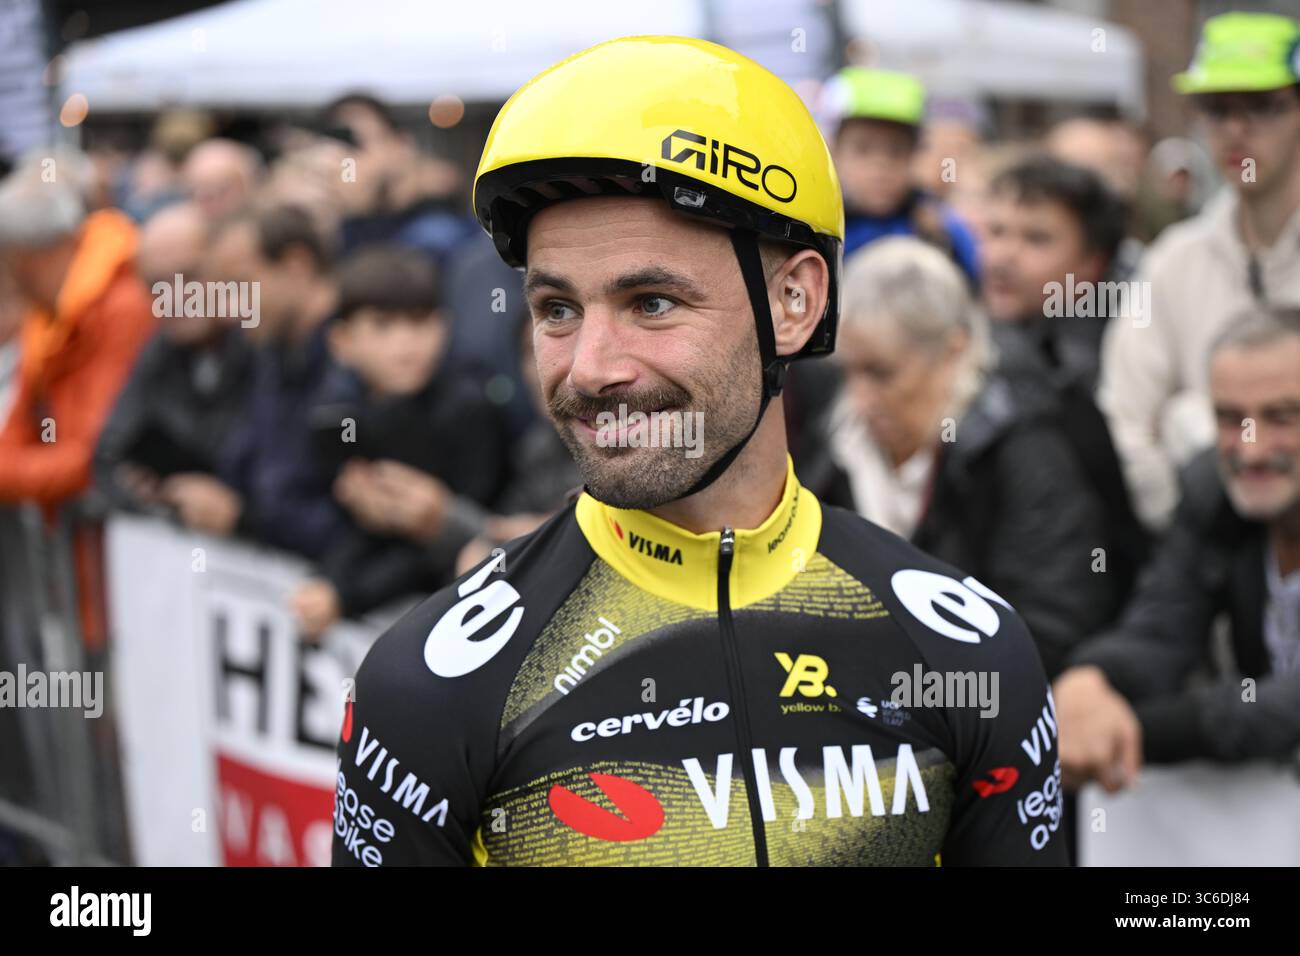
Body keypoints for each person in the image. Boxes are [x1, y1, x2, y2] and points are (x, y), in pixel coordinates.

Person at [334, 36, 1065, 867]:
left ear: (794, 302)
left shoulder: (966, 652)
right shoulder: (430, 687)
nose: (592, 368)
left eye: (651, 303)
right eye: (557, 310)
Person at [798, 236, 1117, 678]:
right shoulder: (834, 444)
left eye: (881, 373)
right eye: (848, 371)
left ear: (953, 351)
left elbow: (1047, 627)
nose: (859, 397)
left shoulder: (1021, 450)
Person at [1055, 307, 1300, 788]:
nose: (1250, 449)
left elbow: (1280, 712)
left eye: (1283, 418)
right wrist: (1089, 680)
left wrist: (1123, 731)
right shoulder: (1213, 491)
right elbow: (1161, 626)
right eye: (1230, 419)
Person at [1098, 11, 1300, 532]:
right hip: (1206, 565)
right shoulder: (1171, 261)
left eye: (1262, 106)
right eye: (1215, 108)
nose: (1236, 129)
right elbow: (1127, 424)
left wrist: (1190, 424)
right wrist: (1204, 526)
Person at [288, 244, 510, 636]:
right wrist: (330, 581)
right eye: (383, 325)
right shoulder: (348, 414)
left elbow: (451, 540)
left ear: (444, 326)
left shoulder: (467, 409)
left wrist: (344, 594)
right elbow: (365, 529)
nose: (406, 341)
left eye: (420, 321)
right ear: (341, 342)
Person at [169, 204, 345, 558]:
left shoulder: (358, 364)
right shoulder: (272, 356)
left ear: (297, 265)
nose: (232, 310)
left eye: (241, 285)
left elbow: (354, 528)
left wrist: (245, 518)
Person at [0, 150, 156, 511]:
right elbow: (21, 427)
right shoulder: (48, 313)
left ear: (24, 258)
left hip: (109, 528)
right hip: (69, 524)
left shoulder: (120, 306)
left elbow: (91, 455)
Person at [93, 203, 255, 514]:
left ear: (223, 265)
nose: (176, 297)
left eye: (188, 276)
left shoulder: (262, 346)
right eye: (158, 285)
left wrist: (238, 510)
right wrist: (140, 489)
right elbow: (109, 452)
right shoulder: (160, 350)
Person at [820, 66, 981, 284]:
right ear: (834, 150)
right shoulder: (820, 225)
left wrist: (941, 242)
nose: (880, 166)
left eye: (896, 151)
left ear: (915, 153)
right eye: (863, 149)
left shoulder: (940, 226)